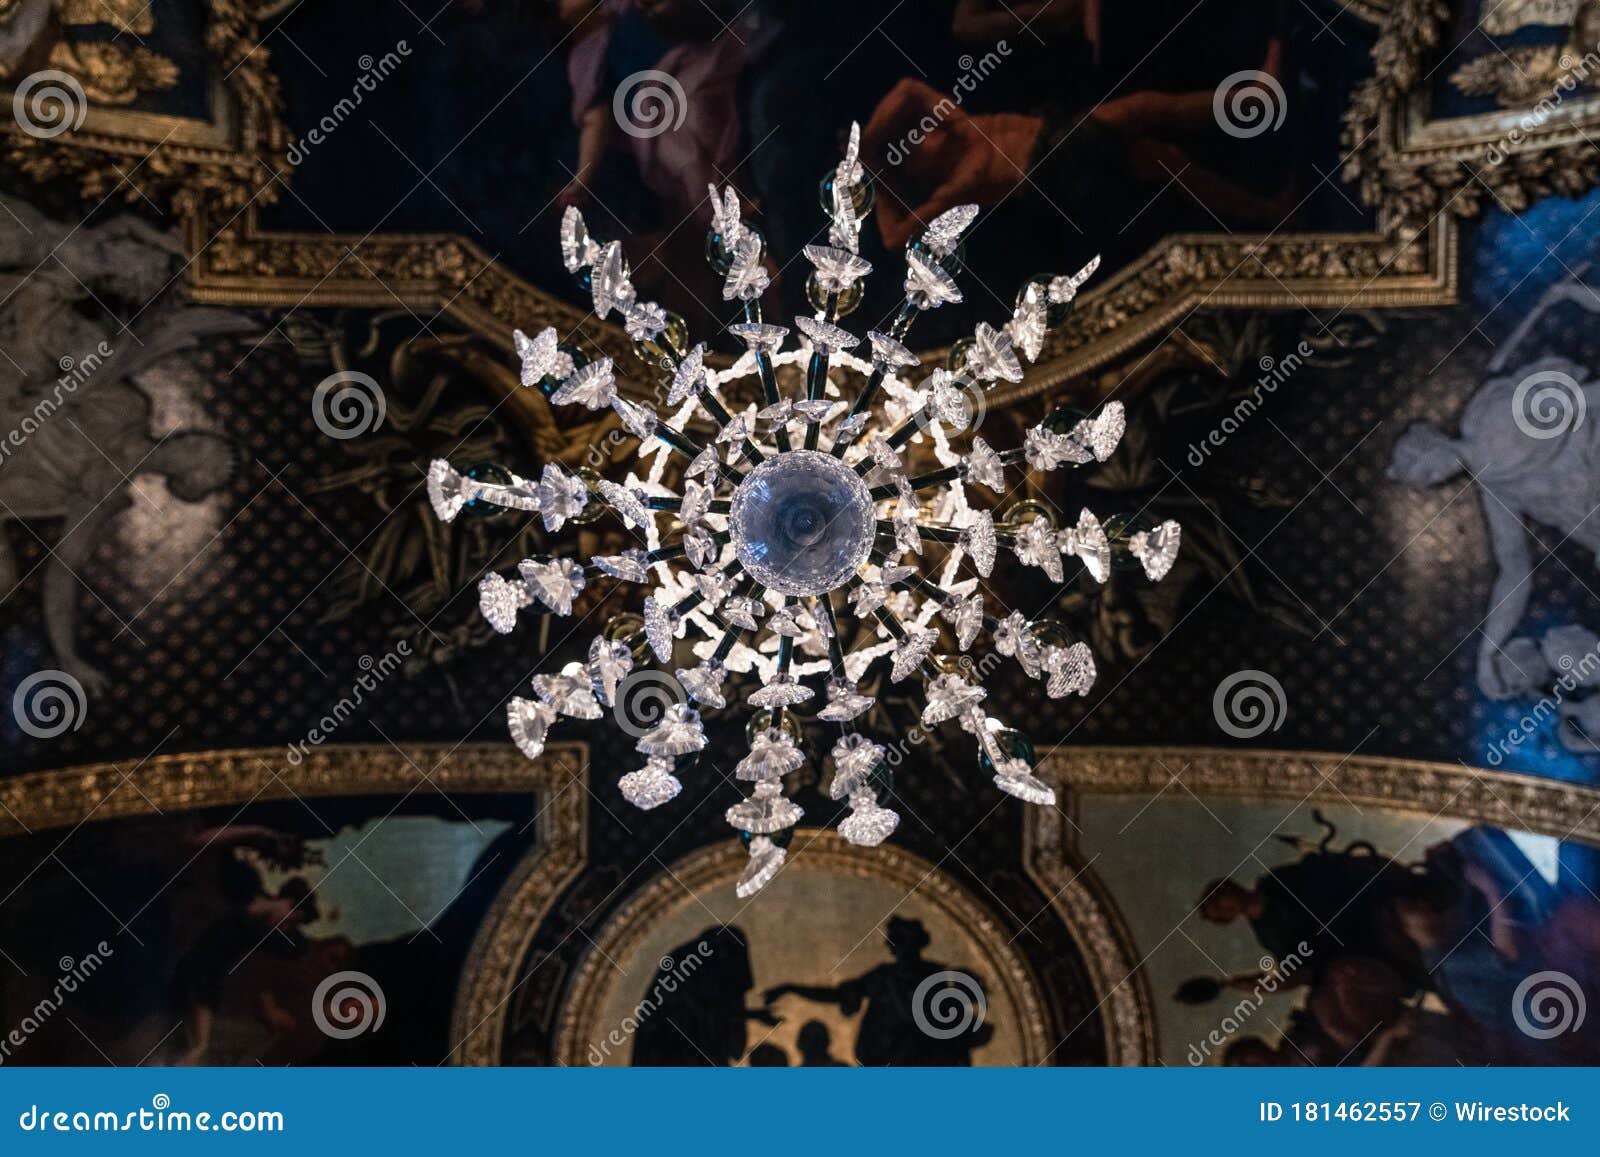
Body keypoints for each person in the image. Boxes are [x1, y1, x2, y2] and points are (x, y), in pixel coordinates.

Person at [765, 917, 993, 1066]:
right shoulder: (885, 976)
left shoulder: (936, 977)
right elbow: (836, 995)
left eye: (897, 941)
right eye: (894, 941)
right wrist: (792, 989)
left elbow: (951, 1025)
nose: (892, 946)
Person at [631, 926, 777, 1066]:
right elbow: (704, 1013)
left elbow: (725, 1025)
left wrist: (750, 1015)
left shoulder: (713, 976)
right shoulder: (684, 974)